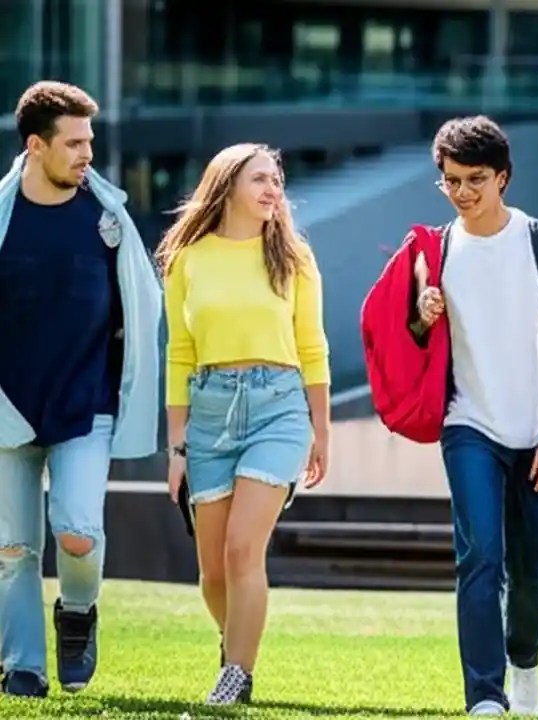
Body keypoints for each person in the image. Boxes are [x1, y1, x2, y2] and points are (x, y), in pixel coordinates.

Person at [413, 116, 538, 717]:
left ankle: (525, 661)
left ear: (503, 177)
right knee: (480, 556)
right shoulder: (435, 250)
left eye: (475, 179)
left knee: (532, 572)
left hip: (537, 428)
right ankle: (485, 695)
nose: (462, 192)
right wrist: (422, 313)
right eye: (451, 180)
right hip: (469, 425)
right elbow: (413, 336)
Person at [0, 81, 162, 698]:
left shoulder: (107, 217)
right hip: (9, 409)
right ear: (36, 146)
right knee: (11, 548)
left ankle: (77, 611)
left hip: (86, 403)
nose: (87, 154)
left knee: (78, 531)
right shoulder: (3, 219)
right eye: (73, 143)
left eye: (89, 141)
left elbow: (140, 309)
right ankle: (23, 665)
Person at [156, 143, 331, 705]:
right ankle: (233, 642)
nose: (273, 189)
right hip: (208, 413)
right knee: (212, 572)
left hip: (279, 408)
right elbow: (179, 354)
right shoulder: (186, 258)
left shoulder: (294, 258)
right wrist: (177, 447)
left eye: (277, 180)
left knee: (241, 550)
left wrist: (321, 430)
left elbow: (313, 348)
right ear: (226, 185)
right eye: (260, 179)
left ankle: (237, 674)